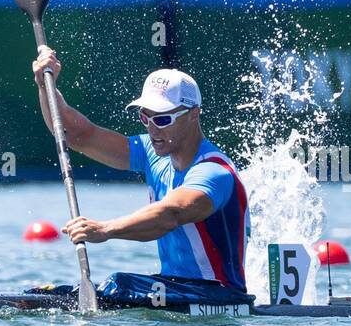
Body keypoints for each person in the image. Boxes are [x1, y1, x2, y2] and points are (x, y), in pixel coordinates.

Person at [30, 48, 250, 305]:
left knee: (118, 285)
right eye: (145, 117)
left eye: (163, 119)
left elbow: (170, 215)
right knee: (51, 293)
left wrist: (104, 229)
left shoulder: (214, 171)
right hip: (174, 288)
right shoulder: (153, 152)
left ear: (193, 115)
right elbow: (78, 136)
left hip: (220, 294)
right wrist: (46, 85)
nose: (152, 128)